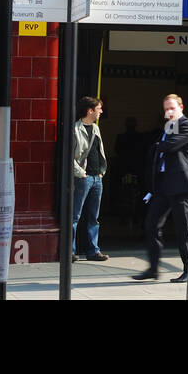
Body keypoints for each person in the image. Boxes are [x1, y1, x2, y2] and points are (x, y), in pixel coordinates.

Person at [133, 94, 188, 283]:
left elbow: (170, 146)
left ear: (181, 108)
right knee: (151, 224)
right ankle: (153, 268)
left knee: (183, 229)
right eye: (166, 108)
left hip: (179, 185)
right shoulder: (169, 126)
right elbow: (159, 150)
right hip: (162, 185)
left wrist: (158, 144)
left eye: (172, 108)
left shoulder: (186, 125)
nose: (168, 112)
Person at [72, 96, 110, 262]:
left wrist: (102, 172)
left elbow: (99, 151)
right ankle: (70, 251)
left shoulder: (96, 128)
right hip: (83, 178)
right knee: (75, 216)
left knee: (93, 217)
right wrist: (81, 173)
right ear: (90, 110)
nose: (101, 111)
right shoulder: (75, 129)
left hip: (97, 178)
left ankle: (93, 251)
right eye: (99, 108)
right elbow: (69, 157)